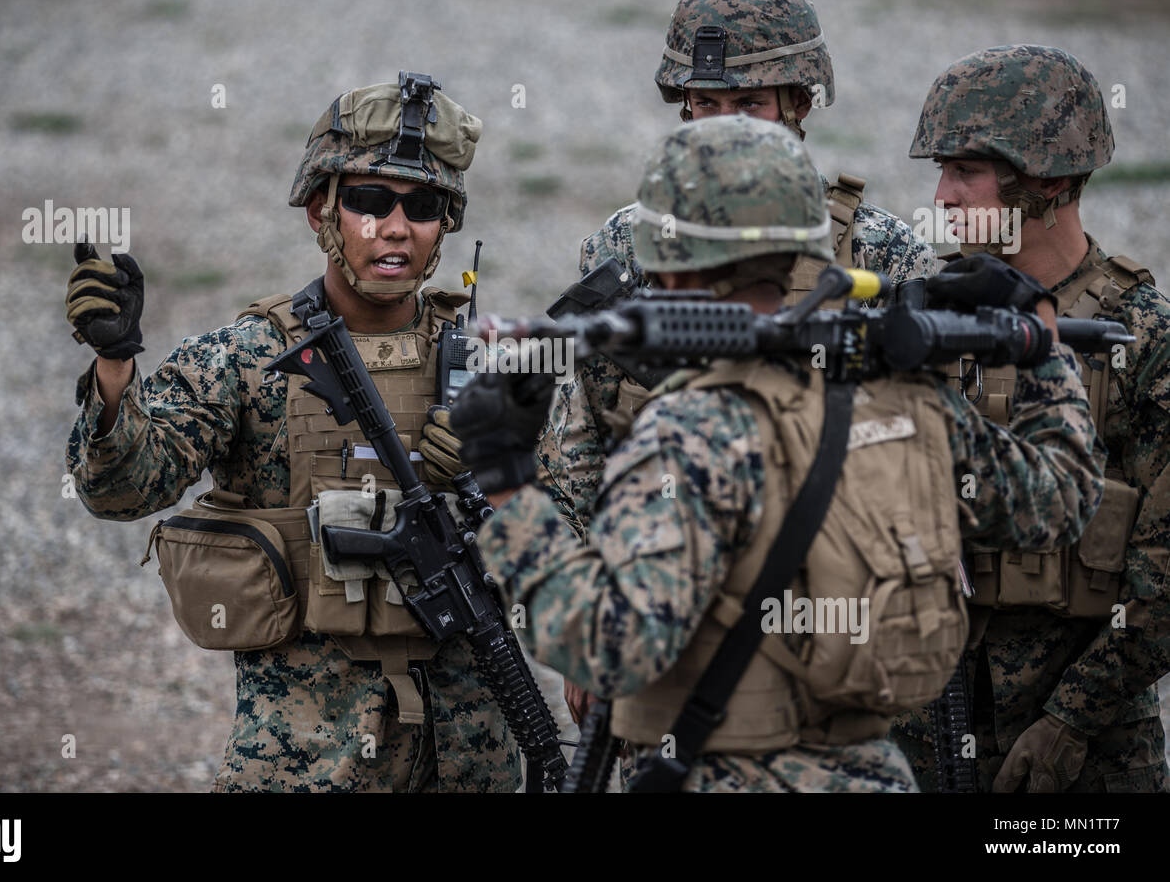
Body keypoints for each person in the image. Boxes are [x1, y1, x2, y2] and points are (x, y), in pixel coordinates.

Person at [451, 113, 1104, 792]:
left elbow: (612, 648)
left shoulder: (690, 431)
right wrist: (1044, 352)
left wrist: (507, 486)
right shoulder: (910, 403)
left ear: (666, 264)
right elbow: (1059, 500)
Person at [64, 75, 521, 792]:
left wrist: (495, 478)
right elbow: (119, 491)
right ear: (321, 211)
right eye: (369, 201)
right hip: (309, 759)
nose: (395, 228)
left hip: (470, 755)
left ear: (447, 224)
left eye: (423, 206)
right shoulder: (253, 358)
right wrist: (115, 367)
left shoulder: (486, 369)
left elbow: (575, 529)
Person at [539, 0, 938, 546]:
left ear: (798, 102)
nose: (724, 128)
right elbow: (575, 445)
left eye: (748, 103)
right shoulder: (627, 244)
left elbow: (923, 451)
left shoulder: (882, 251)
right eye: (707, 103)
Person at [892, 44, 1170, 793]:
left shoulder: (1140, 338)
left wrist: (1072, 722)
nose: (942, 197)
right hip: (923, 731)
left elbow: (1165, 572)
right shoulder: (923, 316)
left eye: (966, 173)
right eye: (941, 172)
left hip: (1085, 750)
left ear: (1044, 179)